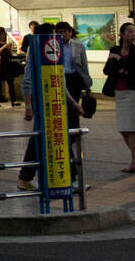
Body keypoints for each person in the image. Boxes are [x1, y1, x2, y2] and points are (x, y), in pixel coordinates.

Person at [16, 23, 86, 191]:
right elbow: (26, 81)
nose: (56, 38)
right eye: (54, 34)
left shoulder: (52, 52)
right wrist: (28, 107)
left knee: (45, 138)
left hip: (55, 103)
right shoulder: (36, 51)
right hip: (44, 105)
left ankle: (25, 178)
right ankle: (71, 178)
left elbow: (59, 80)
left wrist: (73, 103)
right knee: (54, 136)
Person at [103, 22, 135, 174]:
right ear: (121, 34)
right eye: (129, 31)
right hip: (119, 92)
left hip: (133, 92)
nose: (133, 34)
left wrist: (119, 61)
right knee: (123, 128)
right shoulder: (114, 49)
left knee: (132, 128)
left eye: (134, 32)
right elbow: (107, 69)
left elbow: (133, 68)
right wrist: (121, 70)